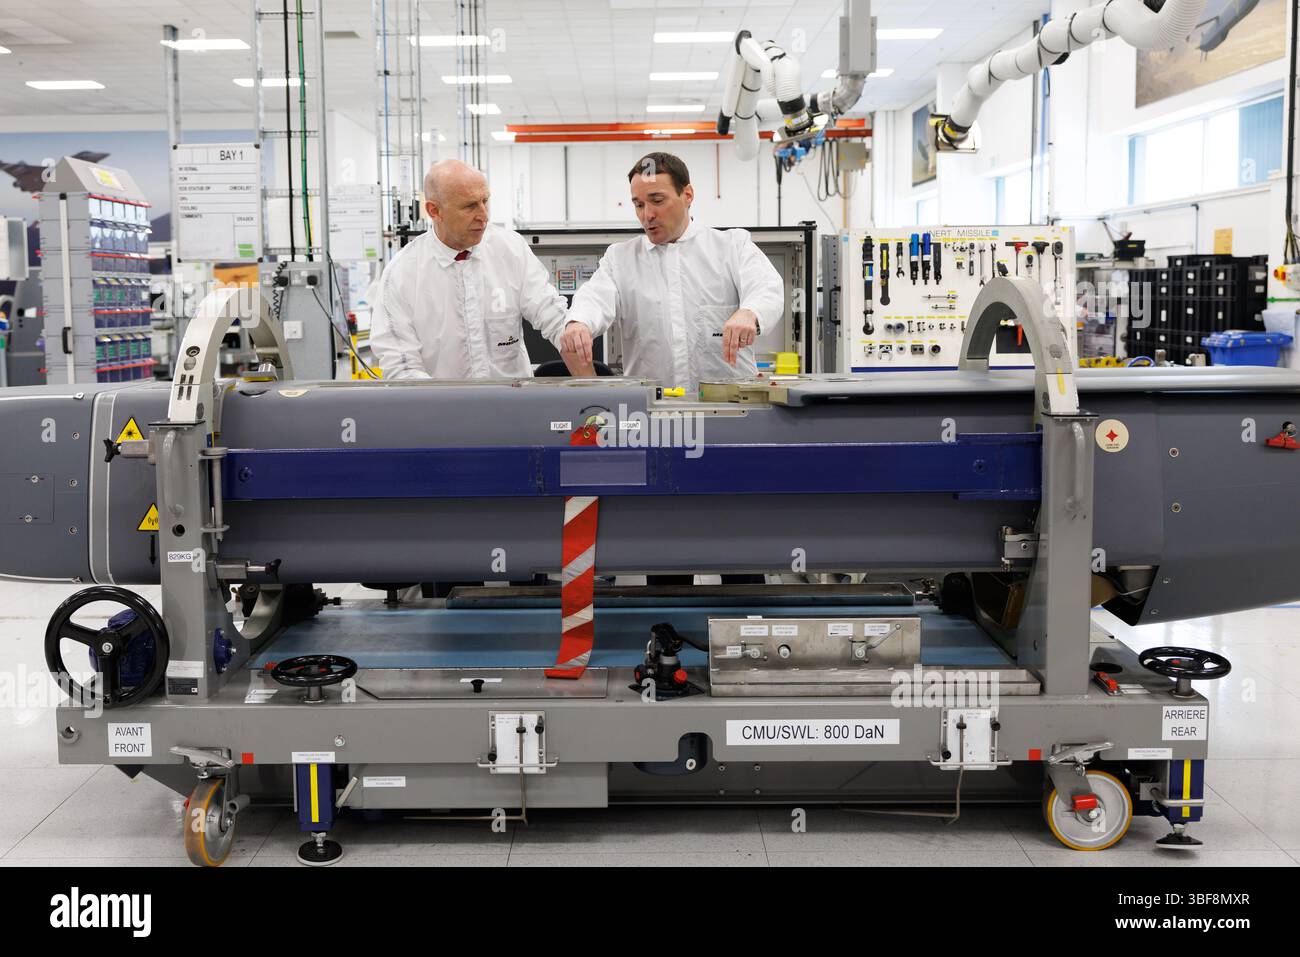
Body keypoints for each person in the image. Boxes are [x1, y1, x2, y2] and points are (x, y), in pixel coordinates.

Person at [556, 151, 784, 392]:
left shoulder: (731, 246)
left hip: (728, 406)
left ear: (687, 195)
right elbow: (594, 298)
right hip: (650, 411)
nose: (647, 215)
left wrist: (749, 313)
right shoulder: (621, 259)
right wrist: (579, 322)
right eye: (639, 204)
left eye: (657, 200)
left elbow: (767, 288)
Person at [369, 159, 569, 379]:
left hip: (512, 406)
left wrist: (572, 330)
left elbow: (550, 311)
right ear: (434, 210)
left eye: (485, 201)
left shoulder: (511, 249)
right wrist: (450, 407)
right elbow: (402, 368)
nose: (484, 215)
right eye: (470, 206)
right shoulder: (401, 276)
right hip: (442, 408)